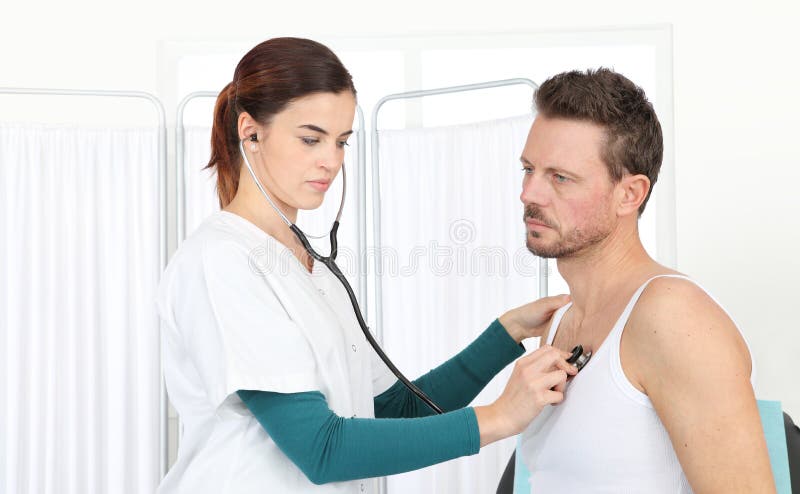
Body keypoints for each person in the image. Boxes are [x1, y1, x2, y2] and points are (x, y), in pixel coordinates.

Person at [155, 37, 576, 493]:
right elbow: (321, 449)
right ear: (251, 132)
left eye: (341, 142)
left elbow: (396, 410)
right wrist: (500, 417)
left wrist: (507, 333)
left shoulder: (315, 271)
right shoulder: (221, 261)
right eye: (311, 139)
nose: (331, 161)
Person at [516, 68, 776, 492]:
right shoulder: (559, 322)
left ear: (630, 194)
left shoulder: (673, 316)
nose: (529, 194)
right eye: (529, 169)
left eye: (560, 177)